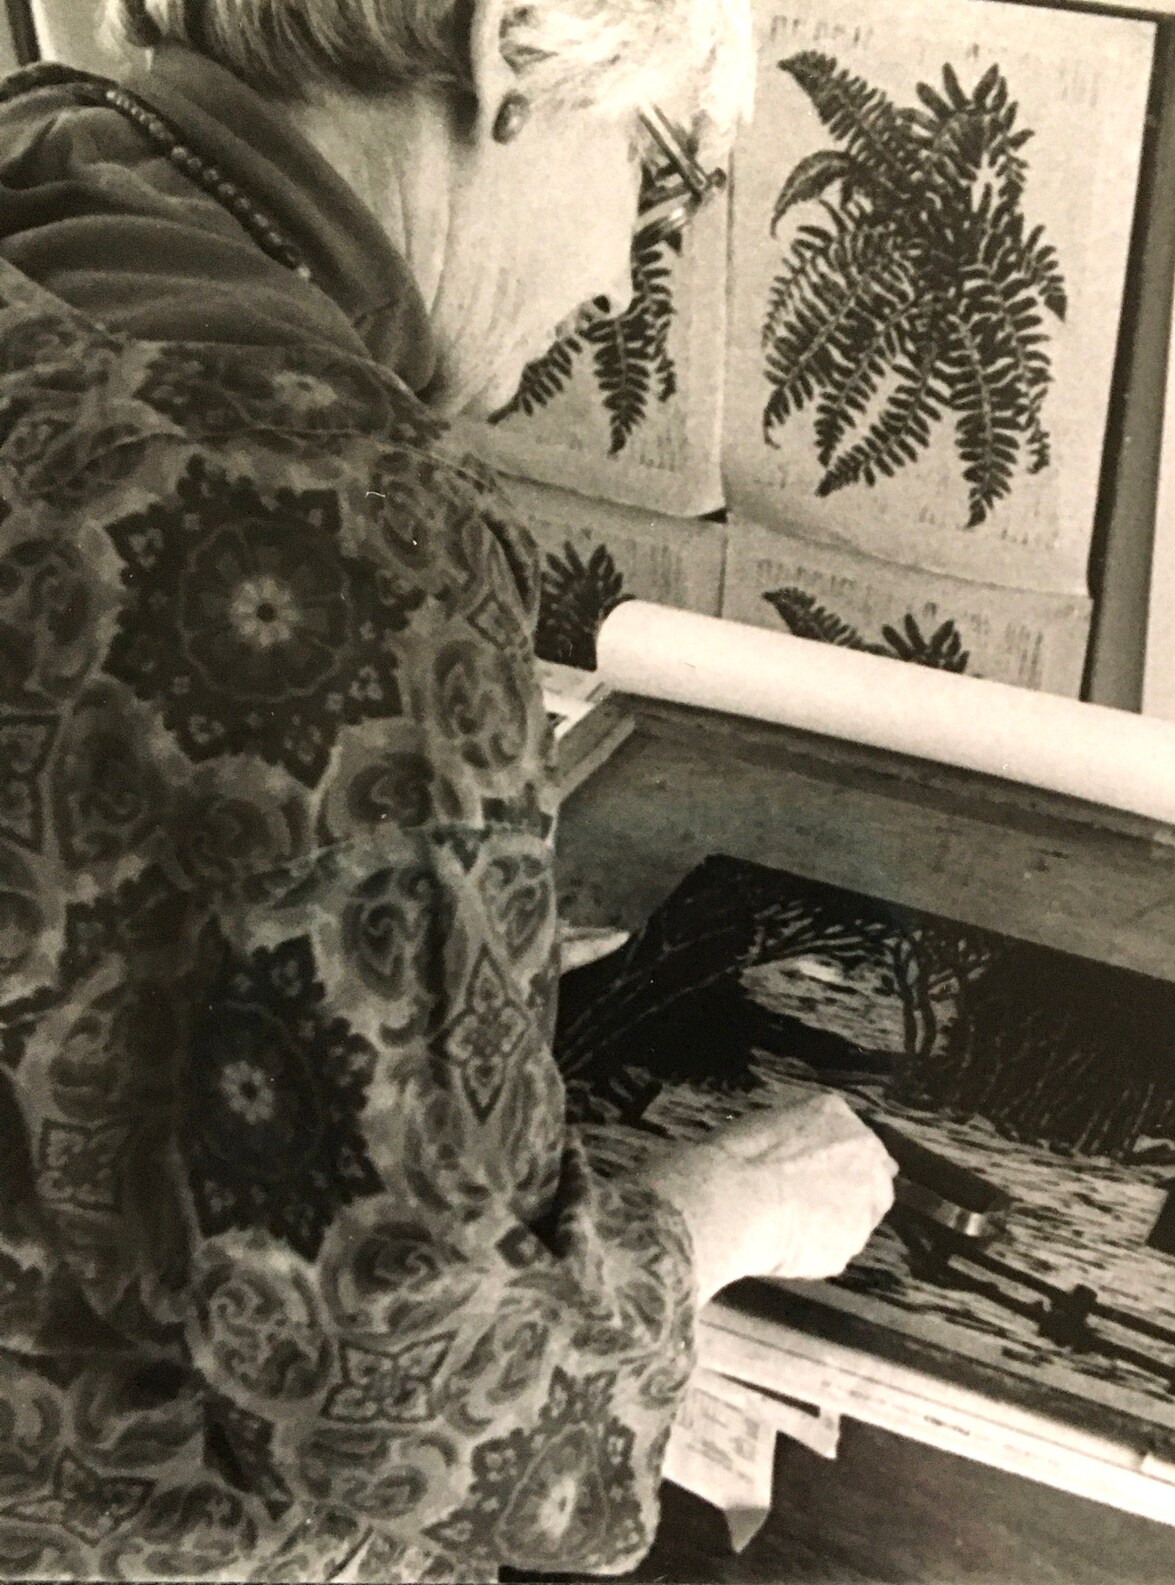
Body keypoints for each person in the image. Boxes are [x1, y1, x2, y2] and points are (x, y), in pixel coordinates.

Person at [0, 1, 897, 1578]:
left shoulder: (31, 170)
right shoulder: (351, 542)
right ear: (514, 53)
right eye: (660, 164)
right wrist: (724, 1211)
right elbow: (430, 1422)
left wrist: (342, 961)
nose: (623, 273)